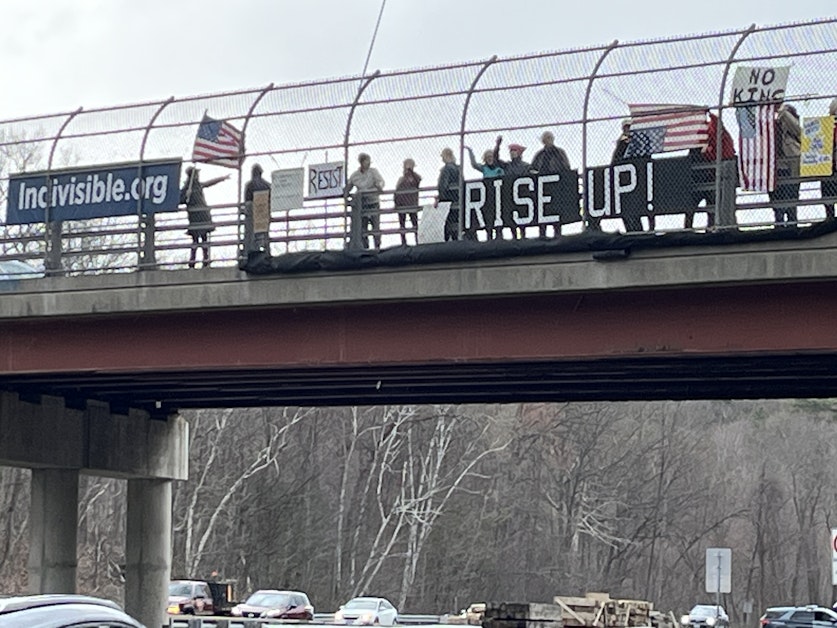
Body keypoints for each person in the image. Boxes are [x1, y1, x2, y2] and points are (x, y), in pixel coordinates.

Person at [688, 112, 736, 230]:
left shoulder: (719, 137)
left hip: (714, 177)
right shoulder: (700, 139)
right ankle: (689, 228)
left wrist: (710, 114)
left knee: (713, 205)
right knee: (692, 206)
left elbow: (717, 126)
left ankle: (710, 227)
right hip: (700, 178)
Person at [179, 166, 229, 268]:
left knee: (203, 239)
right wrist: (185, 196)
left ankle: (205, 259)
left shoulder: (198, 185)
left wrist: (222, 178)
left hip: (202, 215)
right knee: (196, 239)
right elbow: (180, 200)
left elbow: (209, 183)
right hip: (195, 217)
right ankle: (193, 261)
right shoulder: (187, 188)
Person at [530, 130, 572, 237]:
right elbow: (532, 169)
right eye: (545, 138)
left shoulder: (559, 152)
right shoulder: (539, 155)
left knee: (556, 210)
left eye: (549, 138)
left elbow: (566, 167)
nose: (547, 140)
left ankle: (557, 234)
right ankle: (542, 235)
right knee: (542, 211)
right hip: (542, 186)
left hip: (555, 185)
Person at [769, 103, 801, 227]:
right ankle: (779, 222)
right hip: (775, 166)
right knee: (776, 197)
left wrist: (782, 110)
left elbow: (797, 129)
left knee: (791, 194)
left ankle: (792, 222)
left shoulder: (793, 129)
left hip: (790, 165)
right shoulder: (772, 125)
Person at [344, 153, 385, 249]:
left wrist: (379, 186)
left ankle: (377, 247)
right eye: (367, 161)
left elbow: (381, 182)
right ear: (362, 162)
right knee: (363, 227)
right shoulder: (355, 175)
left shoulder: (373, 172)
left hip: (373, 202)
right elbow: (349, 187)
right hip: (362, 204)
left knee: (376, 226)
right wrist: (346, 196)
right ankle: (365, 248)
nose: (369, 163)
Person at [493, 136, 530, 238]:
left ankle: (523, 235)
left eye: (514, 151)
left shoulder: (526, 166)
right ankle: (514, 235)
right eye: (511, 151)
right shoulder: (507, 165)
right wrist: (497, 146)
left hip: (521, 195)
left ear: (519, 153)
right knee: (510, 217)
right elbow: (495, 160)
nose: (512, 153)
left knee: (522, 216)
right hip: (509, 194)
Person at [394, 158, 422, 245]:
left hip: (412, 204)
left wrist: (411, 171)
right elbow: (396, 192)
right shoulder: (401, 179)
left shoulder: (415, 178)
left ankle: (418, 241)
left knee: (415, 223)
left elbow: (418, 180)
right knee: (402, 225)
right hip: (402, 204)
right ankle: (404, 242)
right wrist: (396, 203)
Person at [244, 163, 272, 250]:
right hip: (264, 213)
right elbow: (270, 200)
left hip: (252, 214)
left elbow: (247, 201)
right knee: (264, 232)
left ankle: (251, 249)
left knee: (251, 234)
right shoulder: (267, 185)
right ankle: (266, 248)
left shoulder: (249, 185)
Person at [437, 148, 461, 241]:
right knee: (456, 221)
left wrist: (441, 197)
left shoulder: (447, 169)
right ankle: (455, 240)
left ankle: (447, 241)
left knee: (446, 223)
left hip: (447, 199)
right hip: (457, 198)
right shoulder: (458, 168)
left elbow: (443, 185)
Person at [822, 98, 837, 220]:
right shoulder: (826, 125)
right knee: (827, 196)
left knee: (828, 195)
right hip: (828, 166)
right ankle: (830, 218)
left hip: (830, 165)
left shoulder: (828, 125)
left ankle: (830, 218)